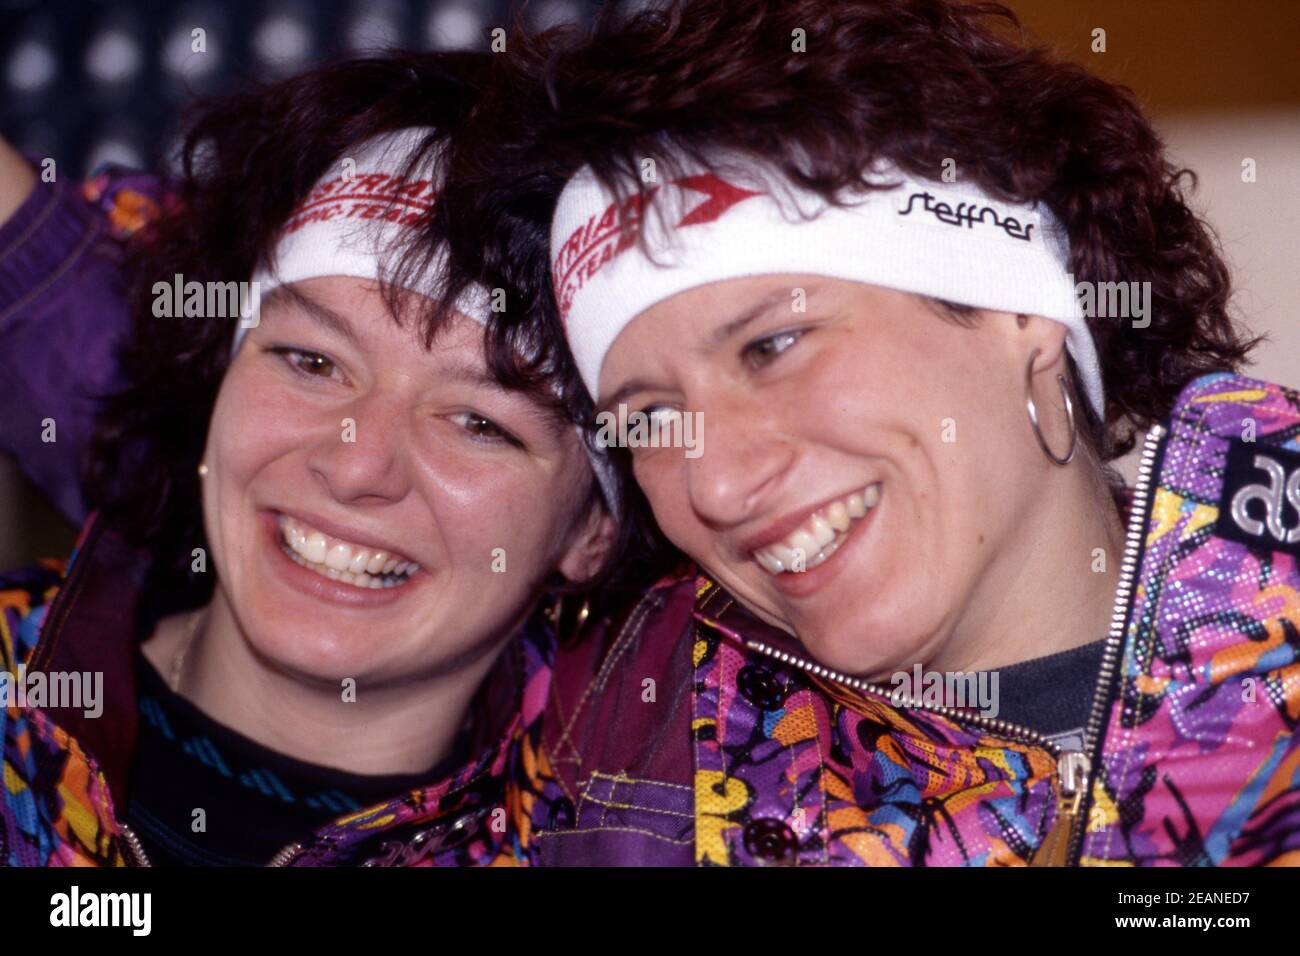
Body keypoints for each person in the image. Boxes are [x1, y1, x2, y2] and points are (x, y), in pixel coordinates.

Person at [428, 0, 1300, 865]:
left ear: (1021, 310)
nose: (717, 484)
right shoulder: (620, 781)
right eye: (650, 420)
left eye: (772, 345)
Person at [0, 53, 629, 867]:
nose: (356, 463)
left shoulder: (638, 836)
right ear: (222, 376)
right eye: (312, 362)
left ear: (594, 530)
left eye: (478, 421)